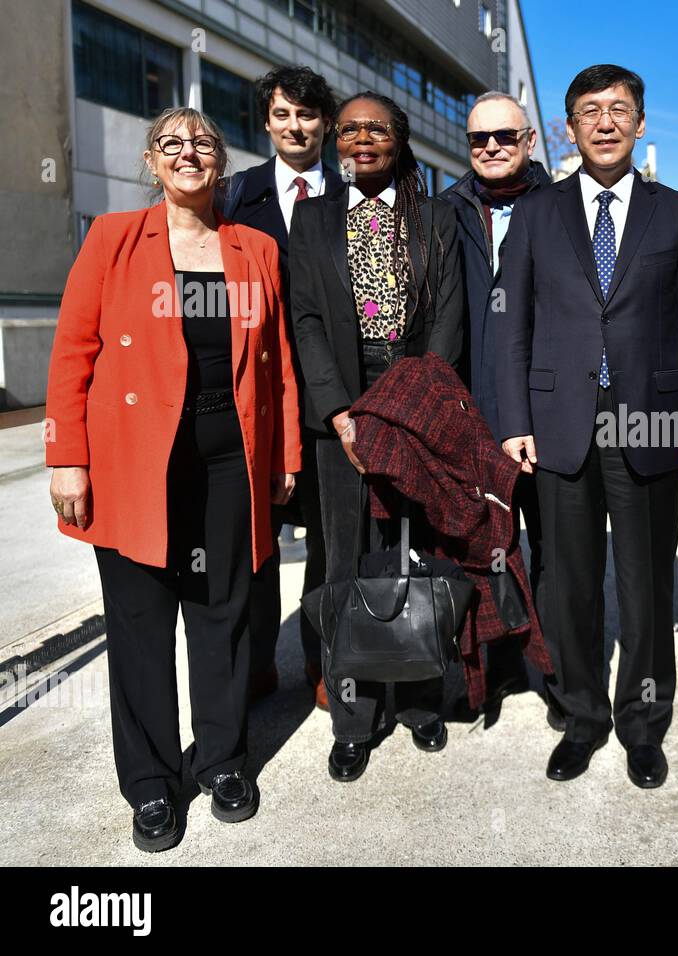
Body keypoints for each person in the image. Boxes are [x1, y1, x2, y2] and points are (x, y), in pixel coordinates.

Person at [44, 107, 301, 852]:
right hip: (135, 461)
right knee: (140, 626)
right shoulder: (113, 239)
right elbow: (73, 353)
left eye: (204, 143)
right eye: (173, 143)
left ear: (221, 161)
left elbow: (276, 362)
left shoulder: (253, 247)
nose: (190, 153)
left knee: (223, 616)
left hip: (228, 458)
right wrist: (67, 455)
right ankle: (152, 784)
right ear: (152, 162)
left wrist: (283, 455)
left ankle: (223, 762)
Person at [495, 64, 678, 788]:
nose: (604, 122)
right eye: (589, 110)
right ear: (568, 126)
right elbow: (511, 327)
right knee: (570, 583)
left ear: (641, 123)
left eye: (619, 109)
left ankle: (644, 724)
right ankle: (583, 716)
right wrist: (513, 420)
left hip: (650, 423)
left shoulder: (676, 212)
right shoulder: (535, 213)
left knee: (648, 583)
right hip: (558, 424)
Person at [290, 91, 465, 783]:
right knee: (346, 563)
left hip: (419, 406)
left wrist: (417, 407)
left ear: (400, 139)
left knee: (419, 553)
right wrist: (339, 412)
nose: (364, 139)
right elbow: (305, 318)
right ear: (337, 139)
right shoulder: (313, 218)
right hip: (342, 418)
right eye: (352, 128)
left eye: (379, 129)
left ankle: (422, 701)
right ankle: (354, 717)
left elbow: (451, 316)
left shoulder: (438, 215)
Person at [223, 65, 342, 711]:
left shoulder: (353, 196)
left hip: (329, 398)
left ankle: (323, 663)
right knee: (256, 540)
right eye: (283, 115)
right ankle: (260, 660)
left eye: (308, 114)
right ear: (267, 123)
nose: (296, 127)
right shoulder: (239, 194)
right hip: (259, 395)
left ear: (325, 121)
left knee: (329, 540)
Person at [439, 91, 554, 723]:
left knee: (554, 554)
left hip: (545, 412)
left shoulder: (563, 206)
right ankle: (489, 673)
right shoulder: (446, 209)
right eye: (479, 139)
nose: (490, 148)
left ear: (530, 141)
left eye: (504, 137)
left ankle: (560, 678)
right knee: (478, 547)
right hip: (470, 410)